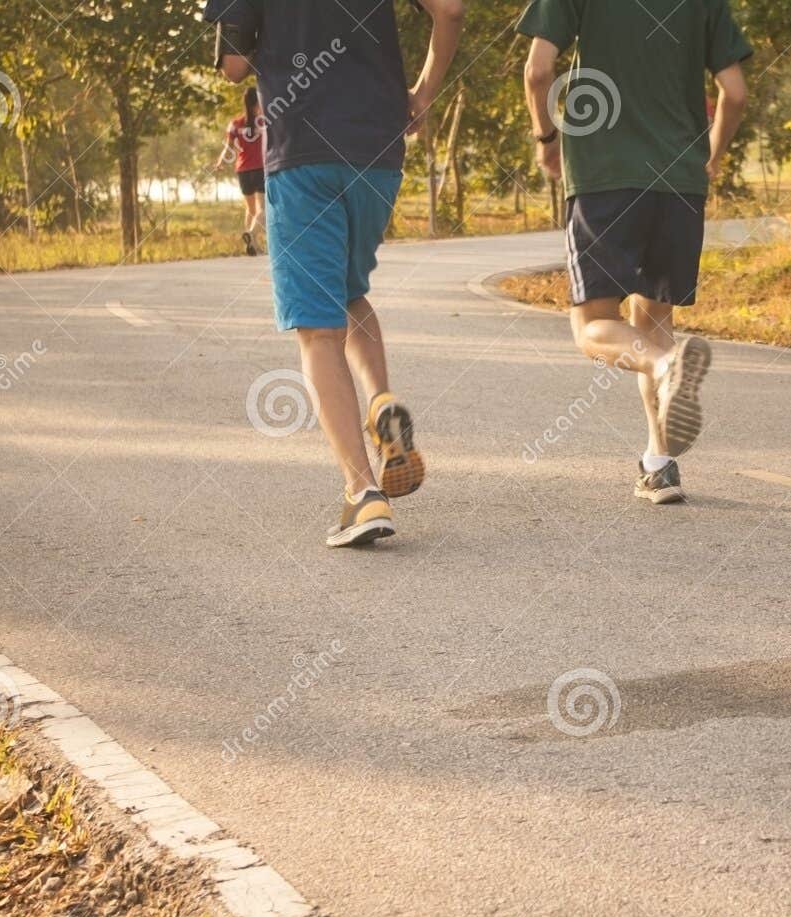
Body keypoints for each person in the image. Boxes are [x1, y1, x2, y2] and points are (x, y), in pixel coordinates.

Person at [205, 0, 464, 548]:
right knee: (349, 291)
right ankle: (380, 402)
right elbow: (451, 10)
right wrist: (422, 93)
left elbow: (232, 67)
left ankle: (362, 492)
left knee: (319, 331)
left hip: (302, 148)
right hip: (378, 146)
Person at [519, 0, 750, 505]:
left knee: (592, 328)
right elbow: (734, 91)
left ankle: (668, 368)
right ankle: (660, 465)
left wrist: (546, 137)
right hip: (679, 181)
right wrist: (710, 155)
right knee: (653, 321)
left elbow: (538, 72)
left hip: (605, 177)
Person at [213, 87, 266, 256]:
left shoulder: (235, 124)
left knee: (250, 210)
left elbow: (228, 149)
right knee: (262, 210)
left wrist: (221, 161)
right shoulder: (264, 122)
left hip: (243, 171)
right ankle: (251, 234)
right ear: (257, 102)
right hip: (260, 168)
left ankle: (253, 246)